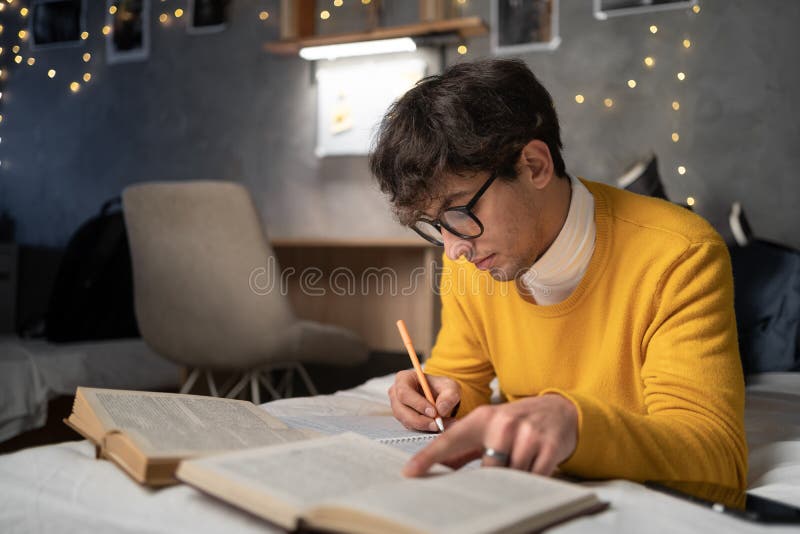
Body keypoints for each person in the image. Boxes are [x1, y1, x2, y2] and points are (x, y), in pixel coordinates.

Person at [369, 58, 747, 489]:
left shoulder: (680, 255)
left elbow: (717, 459)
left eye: (458, 211)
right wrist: (437, 398)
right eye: (435, 225)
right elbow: (462, 384)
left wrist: (574, 424)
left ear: (534, 165)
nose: (453, 249)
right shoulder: (473, 261)